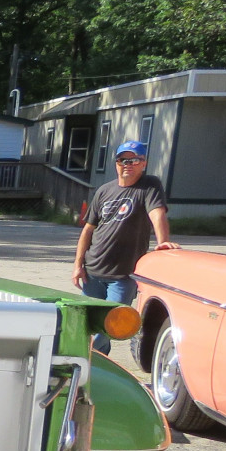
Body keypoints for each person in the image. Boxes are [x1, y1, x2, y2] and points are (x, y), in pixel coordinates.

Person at [71, 140, 177, 353]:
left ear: (143, 163)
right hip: (93, 271)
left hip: (123, 275)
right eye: (123, 160)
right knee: (90, 324)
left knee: (109, 326)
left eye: (134, 159)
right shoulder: (104, 190)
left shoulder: (149, 186)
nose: (128, 164)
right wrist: (78, 264)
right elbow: (88, 230)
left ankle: (85, 358)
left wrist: (163, 241)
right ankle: (99, 367)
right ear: (116, 163)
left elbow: (157, 214)